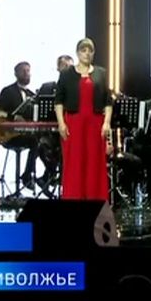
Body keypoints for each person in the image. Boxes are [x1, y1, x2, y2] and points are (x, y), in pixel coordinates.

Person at [55, 38, 113, 201]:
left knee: (94, 163)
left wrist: (106, 122)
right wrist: (61, 123)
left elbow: (108, 101)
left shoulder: (101, 73)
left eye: (90, 51)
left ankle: (95, 200)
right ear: (77, 53)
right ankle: (74, 199)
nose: (87, 54)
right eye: (83, 50)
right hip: (74, 123)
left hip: (95, 124)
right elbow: (58, 101)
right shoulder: (67, 74)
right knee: (74, 162)